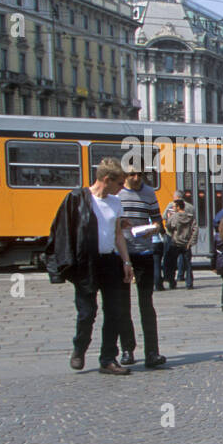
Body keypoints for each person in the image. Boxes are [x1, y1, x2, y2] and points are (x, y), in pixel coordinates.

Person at [44, 158, 135, 375]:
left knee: (114, 311)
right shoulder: (79, 199)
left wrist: (126, 261)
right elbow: (63, 231)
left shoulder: (115, 202)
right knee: (87, 312)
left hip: (110, 261)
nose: (122, 188)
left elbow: (117, 235)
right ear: (106, 179)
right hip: (87, 263)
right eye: (120, 183)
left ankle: (108, 358)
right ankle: (79, 348)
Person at [114, 161, 168, 369]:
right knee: (122, 303)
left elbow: (157, 221)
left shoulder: (149, 193)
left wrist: (155, 228)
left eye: (141, 175)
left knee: (146, 303)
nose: (137, 178)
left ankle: (152, 352)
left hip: (144, 251)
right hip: (122, 253)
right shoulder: (117, 194)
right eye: (132, 174)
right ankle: (127, 349)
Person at [163, 196, 197, 289]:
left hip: (175, 243)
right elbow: (195, 229)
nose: (173, 208)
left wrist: (169, 219)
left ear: (178, 207)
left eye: (174, 206)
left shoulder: (174, 217)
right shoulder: (190, 217)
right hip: (186, 244)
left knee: (172, 264)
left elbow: (168, 227)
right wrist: (191, 242)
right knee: (188, 265)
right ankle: (189, 283)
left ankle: (172, 283)